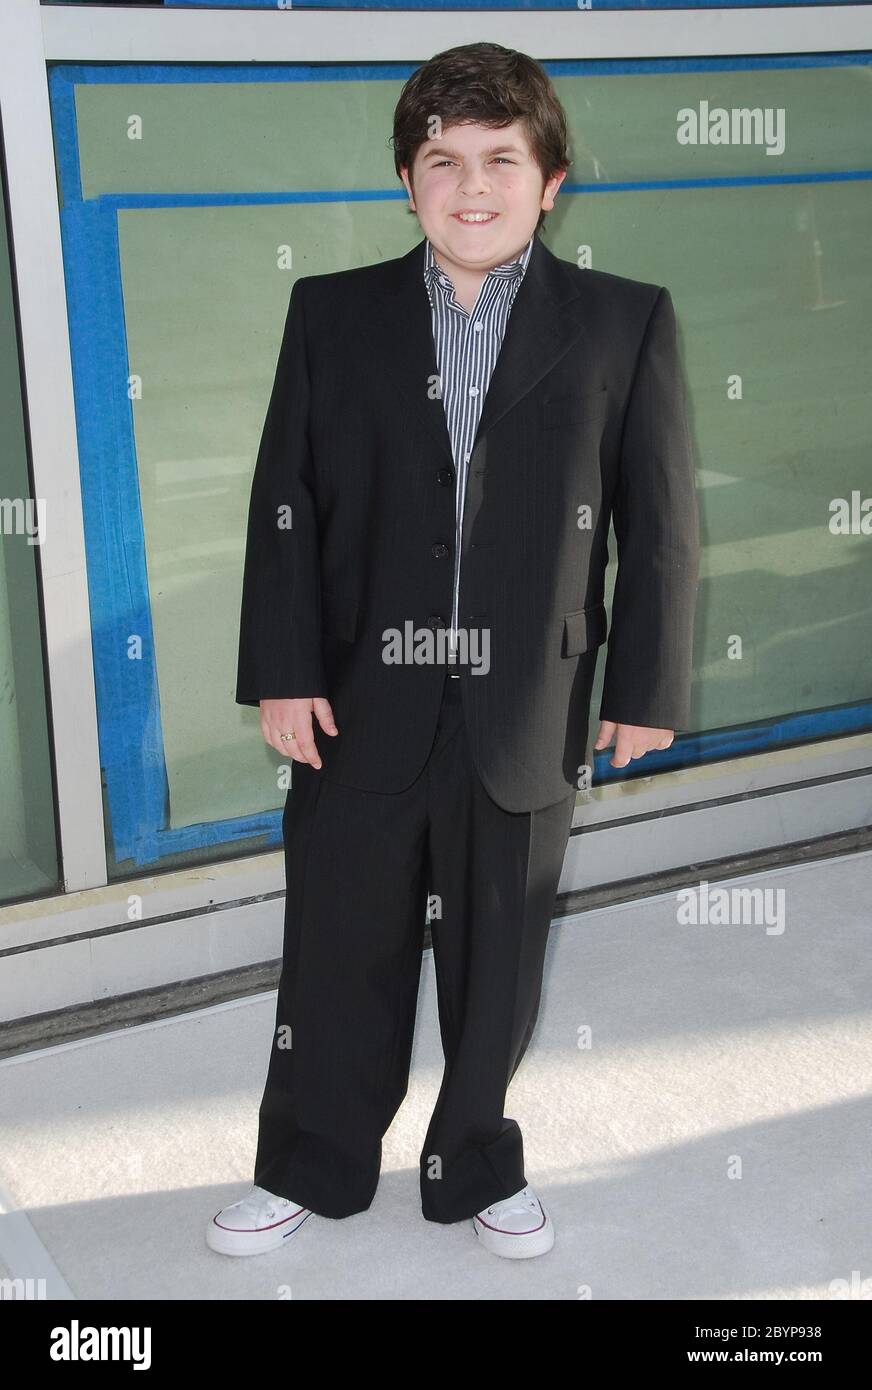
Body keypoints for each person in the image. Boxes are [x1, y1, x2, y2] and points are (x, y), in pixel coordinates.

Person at [208, 41, 699, 1262]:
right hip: (359, 704)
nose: (469, 186)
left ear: (550, 181)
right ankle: (311, 1161)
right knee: (336, 947)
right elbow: (287, 503)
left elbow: (662, 526)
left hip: (528, 706)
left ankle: (475, 1155)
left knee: (498, 960)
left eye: (498, 160)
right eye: (442, 162)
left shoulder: (622, 322)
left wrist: (642, 690)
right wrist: (282, 666)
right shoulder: (330, 314)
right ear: (406, 180)